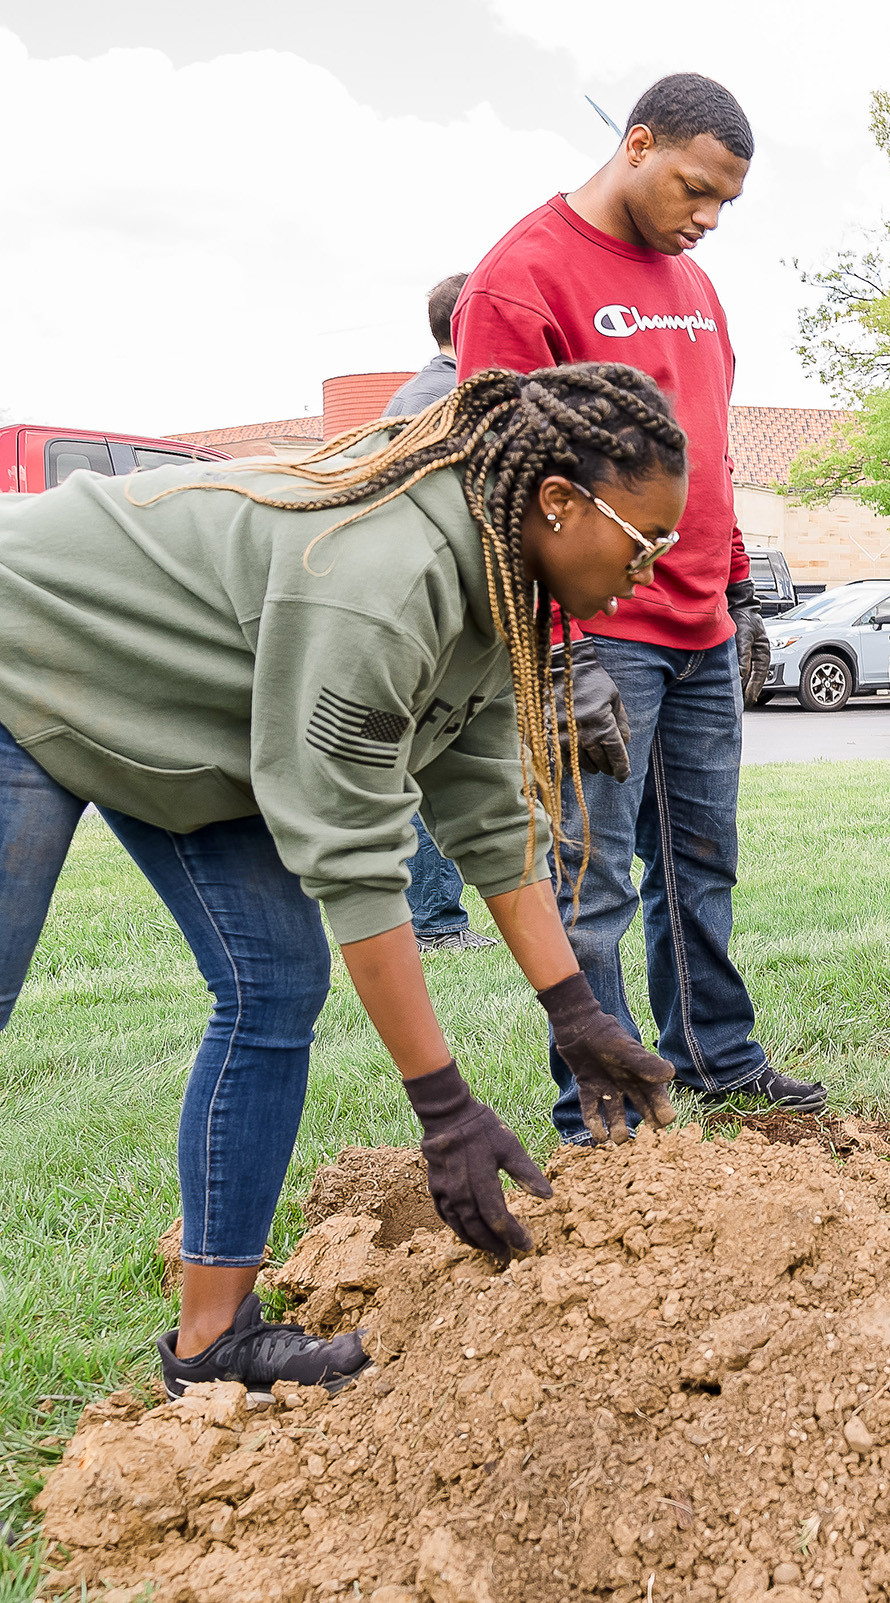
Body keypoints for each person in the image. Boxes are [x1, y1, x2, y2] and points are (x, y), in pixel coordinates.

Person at [0, 362, 695, 1396]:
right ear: (559, 501)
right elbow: (355, 859)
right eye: (647, 542)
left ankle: (212, 1342)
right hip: (33, 645)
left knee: (274, 985)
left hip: (182, 720)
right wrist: (447, 1108)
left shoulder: (502, 578)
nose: (656, 568)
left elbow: (487, 810)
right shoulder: (386, 581)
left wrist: (576, 1014)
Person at [455, 72, 815, 1141]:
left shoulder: (696, 287)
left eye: (727, 205)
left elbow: (707, 444)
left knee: (702, 861)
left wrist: (740, 584)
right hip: (599, 625)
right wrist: (557, 647)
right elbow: (499, 487)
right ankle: (603, 1102)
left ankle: (716, 1056)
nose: (707, 220)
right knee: (592, 878)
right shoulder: (522, 280)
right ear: (640, 144)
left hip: (701, 627)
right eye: (697, 191)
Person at [384, 271, 500, 953]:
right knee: (427, 763)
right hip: (429, 611)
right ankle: (435, 920)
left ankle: (432, 916)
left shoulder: (418, 392)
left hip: (415, 606)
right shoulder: (447, 400)